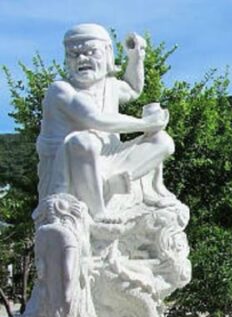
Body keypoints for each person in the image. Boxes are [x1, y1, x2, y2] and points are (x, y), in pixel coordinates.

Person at [37, 23, 175, 222]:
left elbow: (133, 89)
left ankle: (109, 186)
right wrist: (146, 124)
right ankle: (98, 213)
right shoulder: (60, 90)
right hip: (70, 166)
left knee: (162, 141)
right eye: (74, 54)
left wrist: (136, 57)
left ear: (108, 53)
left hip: (109, 157)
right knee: (84, 141)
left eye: (91, 52)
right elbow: (96, 119)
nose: (82, 59)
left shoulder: (109, 85)